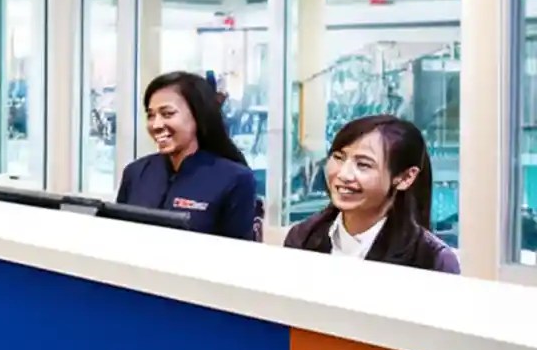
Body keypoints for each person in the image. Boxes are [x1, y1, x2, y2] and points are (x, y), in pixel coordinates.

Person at [283, 115, 460, 273]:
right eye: (338, 157)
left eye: (363, 165)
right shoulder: (303, 237)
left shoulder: (432, 260)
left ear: (405, 177)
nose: (344, 174)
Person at [116, 71, 257, 240]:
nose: (156, 124)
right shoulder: (136, 173)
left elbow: (238, 257)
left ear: (197, 116)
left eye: (168, 114)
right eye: (151, 115)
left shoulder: (235, 179)